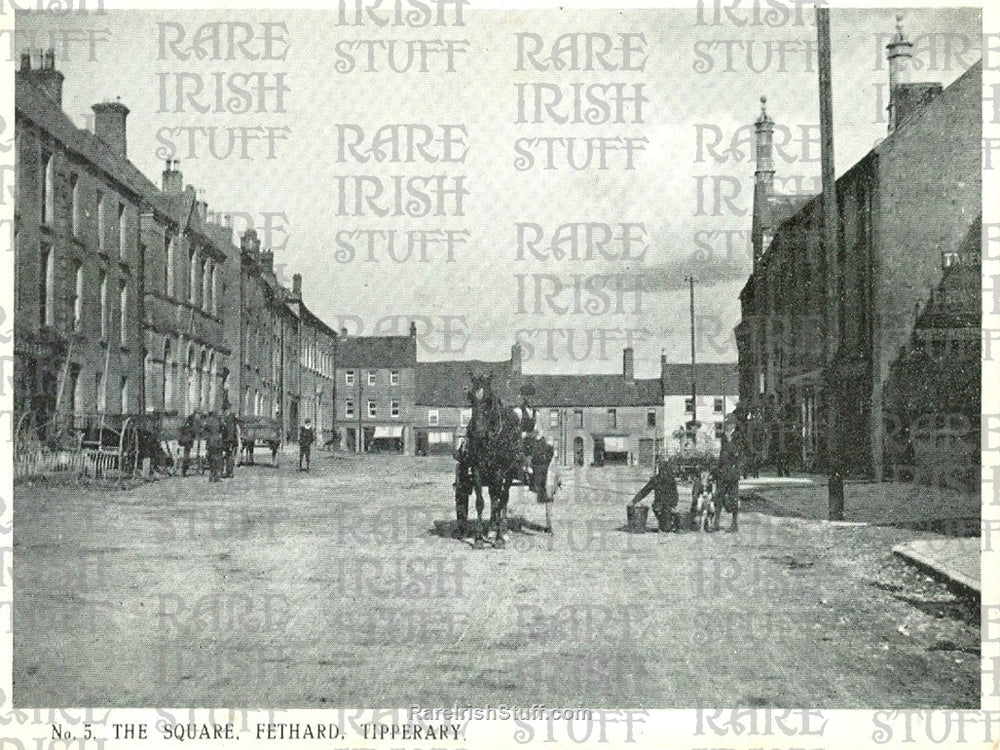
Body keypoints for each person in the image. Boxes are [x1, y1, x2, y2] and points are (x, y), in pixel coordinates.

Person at [630, 460, 680, 532]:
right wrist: (634, 501)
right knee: (664, 527)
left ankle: (672, 521)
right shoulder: (655, 480)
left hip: (668, 506)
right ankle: (665, 522)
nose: (664, 473)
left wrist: (674, 506)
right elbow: (644, 491)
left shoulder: (671, 480)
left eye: (665, 470)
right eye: (662, 470)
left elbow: (675, 494)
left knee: (667, 528)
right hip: (658, 505)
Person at [715, 420, 741, 532]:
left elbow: (736, 452)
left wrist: (729, 440)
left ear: (733, 425)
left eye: (729, 424)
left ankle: (734, 524)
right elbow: (722, 453)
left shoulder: (738, 436)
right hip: (722, 473)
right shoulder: (723, 437)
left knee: (733, 498)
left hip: (733, 473)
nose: (726, 427)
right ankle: (716, 523)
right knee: (719, 498)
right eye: (726, 425)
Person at [204, 411, 223, 482]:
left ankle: (211, 475)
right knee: (217, 459)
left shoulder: (208, 422)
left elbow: (205, 429)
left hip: (210, 442)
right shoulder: (218, 421)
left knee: (211, 459)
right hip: (217, 442)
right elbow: (223, 428)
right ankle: (216, 476)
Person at [178, 411, 198, 477]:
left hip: (185, 442)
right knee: (187, 456)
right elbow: (194, 433)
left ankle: (184, 470)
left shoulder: (186, 426)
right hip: (188, 442)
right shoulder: (192, 427)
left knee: (185, 455)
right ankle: (184, 471)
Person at [221, 402, 238, 478]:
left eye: (223, 410)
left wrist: (229, 440)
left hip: (229, 440)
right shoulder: (229, 417)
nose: (223, 412)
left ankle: (229, 472)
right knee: (228, 456)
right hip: (228, 439)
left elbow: (231, 430)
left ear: (226, 410)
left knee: (229, 456)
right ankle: (229, 472)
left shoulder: (230, 418)